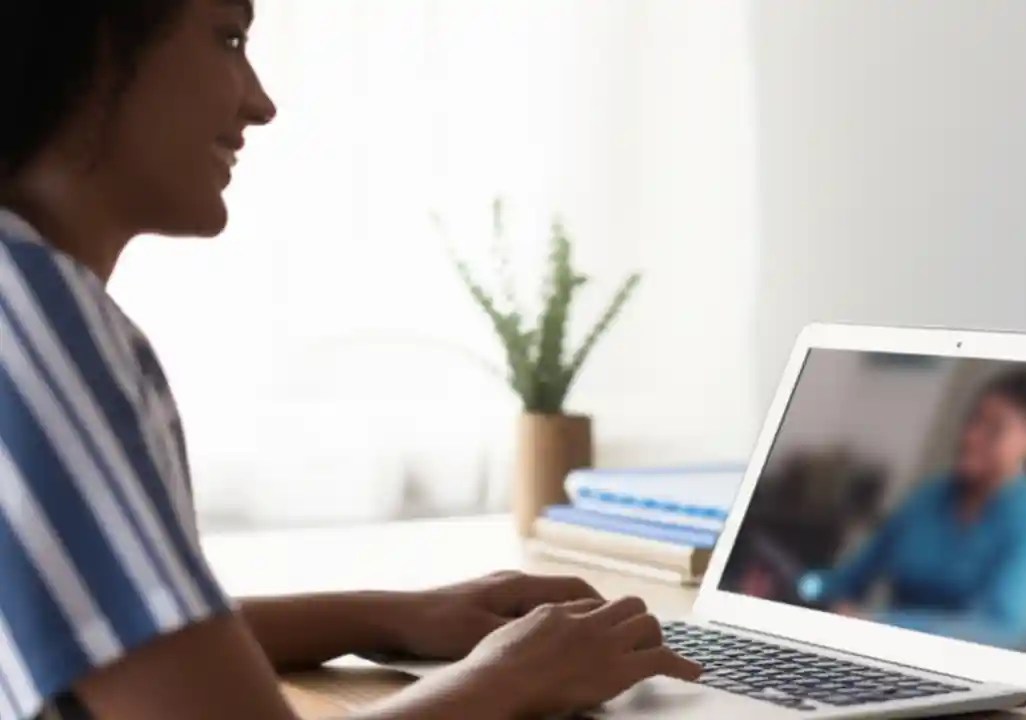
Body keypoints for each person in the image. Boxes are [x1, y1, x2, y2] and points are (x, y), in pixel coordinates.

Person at [0, 2, 699, 718]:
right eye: (229, 38)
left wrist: (393, 615)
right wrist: (512, 677)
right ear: (94, 43)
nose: (259, 102)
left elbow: (131, 632)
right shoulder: (41, 326)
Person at [796, 367, 1026, 649]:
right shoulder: (928, 497)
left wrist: (879, 625)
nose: (971, 437)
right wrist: (800, 585)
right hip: (882, 651)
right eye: (973, 421)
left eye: (994, 429)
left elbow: (1000, 625)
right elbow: (848, 580)